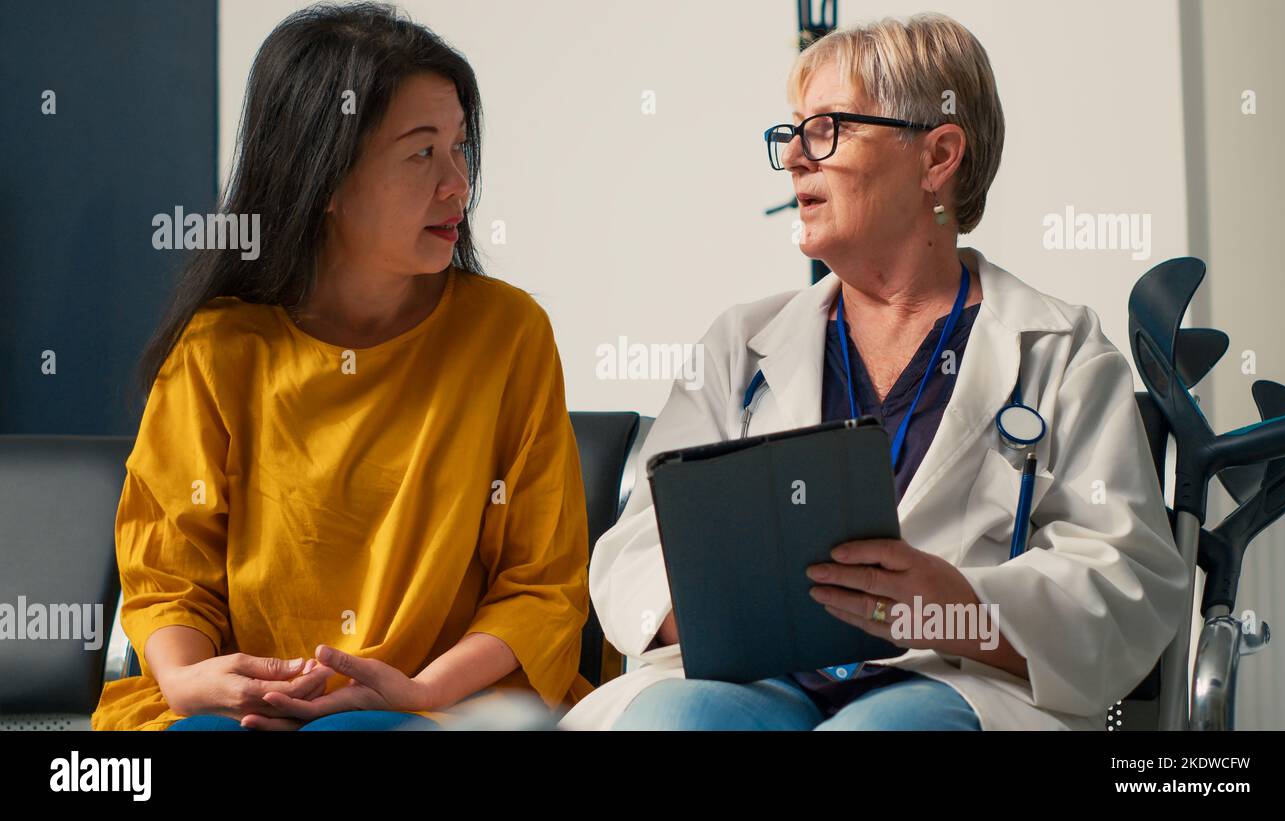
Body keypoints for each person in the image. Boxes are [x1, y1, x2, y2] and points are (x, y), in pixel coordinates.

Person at [561, 12, 1189, 731]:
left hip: (949, 680)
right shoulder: (741, 345)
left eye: (827, 129)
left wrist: (957, 606)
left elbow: (1128, 580)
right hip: (753, 680)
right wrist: (738, 609)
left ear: (938, 156)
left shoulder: (1059, 349)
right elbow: (633, 551)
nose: (796, 157)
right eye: (790, 134)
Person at [91, 2, 590, 731]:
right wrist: (196, 682)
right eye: (422, 153)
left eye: (460, 148)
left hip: (449, 704)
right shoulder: (216, 348)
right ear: (321, 178)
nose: (458, 183)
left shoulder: (509, 334)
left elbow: (541, 586)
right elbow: (168, 577)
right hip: (241, 712)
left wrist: (418, 691)